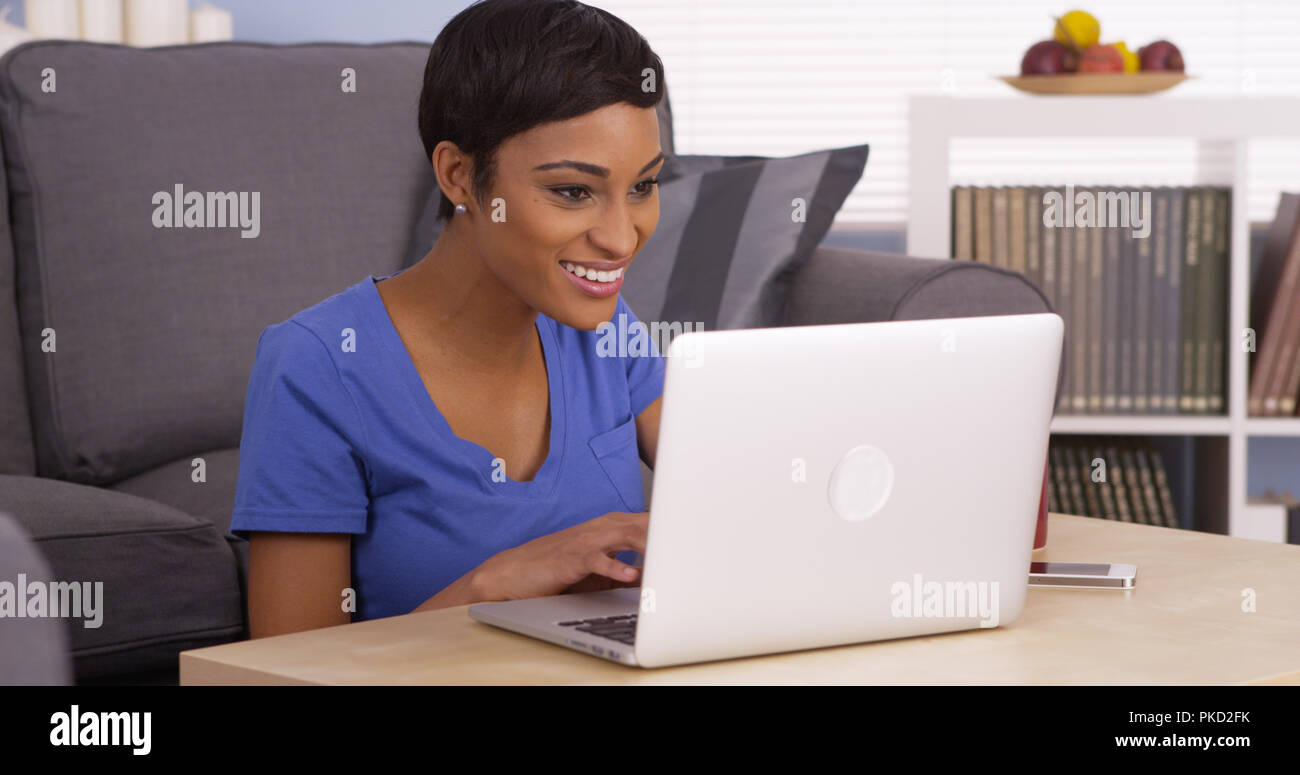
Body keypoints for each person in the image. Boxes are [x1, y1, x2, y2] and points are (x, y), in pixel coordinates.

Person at [231, 0, 669, 638]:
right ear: (460, 176)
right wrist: (491, 588)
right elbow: (275, 676)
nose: (621, 237)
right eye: (573, 191)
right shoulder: (317, 363)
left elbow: (741, 498)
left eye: (643, 187)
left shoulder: (608, 331)